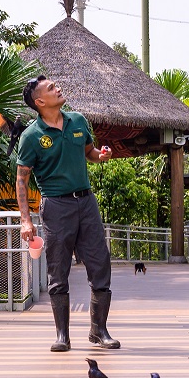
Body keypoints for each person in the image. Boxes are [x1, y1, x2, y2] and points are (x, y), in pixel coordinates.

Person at [16, 75, 119, 352]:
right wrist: (25, 220)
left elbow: (90, 152)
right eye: (51, 88)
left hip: (86, 203)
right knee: (57, 270)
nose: (58, 88)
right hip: (56, 207)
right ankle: (62, 335)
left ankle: (99, 331)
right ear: (40, 102)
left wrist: (101, 155)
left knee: (100, 263)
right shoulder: (31, 136)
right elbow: (22, 180)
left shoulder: (78, 121)